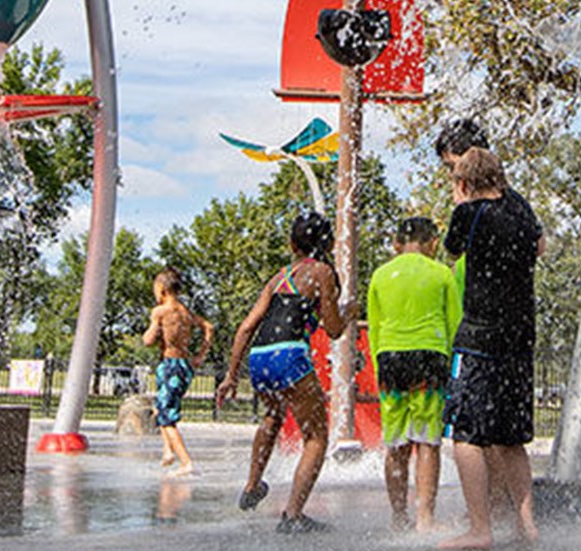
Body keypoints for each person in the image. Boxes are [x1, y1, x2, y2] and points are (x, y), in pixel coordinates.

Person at [214, 213, 358, 533]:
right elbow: (334, 329)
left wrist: (231, 376)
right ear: (328, 244)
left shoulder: (279, 277)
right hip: (290, 354)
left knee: (273, 416)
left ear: (293, 244)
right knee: (316, 437)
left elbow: (246, 327)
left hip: (259, 357)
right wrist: (348, 312)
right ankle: (293, 515)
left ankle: (252, 485)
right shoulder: (322, 272)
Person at [438, 147, 542, 550]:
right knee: (510, 437)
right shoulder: (521, 213)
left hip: (479, 337)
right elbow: (540, 246)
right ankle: (527, 525)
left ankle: (479, 528)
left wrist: (462, 200)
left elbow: (452, 248)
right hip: (519, 337)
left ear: (463, 183)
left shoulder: (469, 213)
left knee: (465, 433)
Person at [366, 216, 462, 532]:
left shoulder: (380, 276)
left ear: (397, 244)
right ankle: (425, 519)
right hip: (429, 357)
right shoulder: (441, 273)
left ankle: (398, 517)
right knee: (428, 441)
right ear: (433, 243)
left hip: (390, 358)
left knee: (396, 442)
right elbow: (454, 324)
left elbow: (375, 328)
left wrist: (381, 368)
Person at [142, 269, 213, 477]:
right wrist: (200, 355)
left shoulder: (160, 311)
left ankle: (186, 463)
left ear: (162, 290)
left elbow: (148, 340)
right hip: (184, 367)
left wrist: (152, 328)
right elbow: (208, 327)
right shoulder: (185, 312)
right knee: (162, 408)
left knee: (166, 417)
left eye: (155, 290)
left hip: (170, 366)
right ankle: (168, 452)